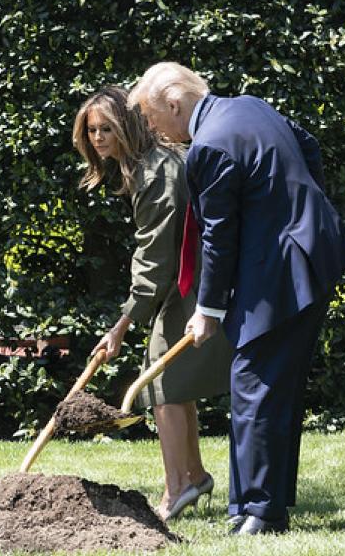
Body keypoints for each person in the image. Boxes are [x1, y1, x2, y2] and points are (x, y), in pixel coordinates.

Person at [128, 63, 345, 535]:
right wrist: (301, 211)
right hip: (311, 258)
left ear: (174, 103)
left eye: (152, 117)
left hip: (279, 274)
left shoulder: (208, 147)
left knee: (253, 383)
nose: (153, 128)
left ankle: (260, 511)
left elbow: (218, 236)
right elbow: (308, 147)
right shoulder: (251, 107)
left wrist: (207, 310)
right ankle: (255, 503)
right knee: (271, 386)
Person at [72, 86, 230, 521]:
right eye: (92, 130)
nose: (99, 138)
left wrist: (122, 325)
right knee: (172, 381)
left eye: (107, 129)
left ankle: (177, 488)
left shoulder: (155, 172)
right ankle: (194, 475)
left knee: (160, 381)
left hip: (193, 280)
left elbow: (155, 258)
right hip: (191, 277)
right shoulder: (153, 161)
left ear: (127, 125)